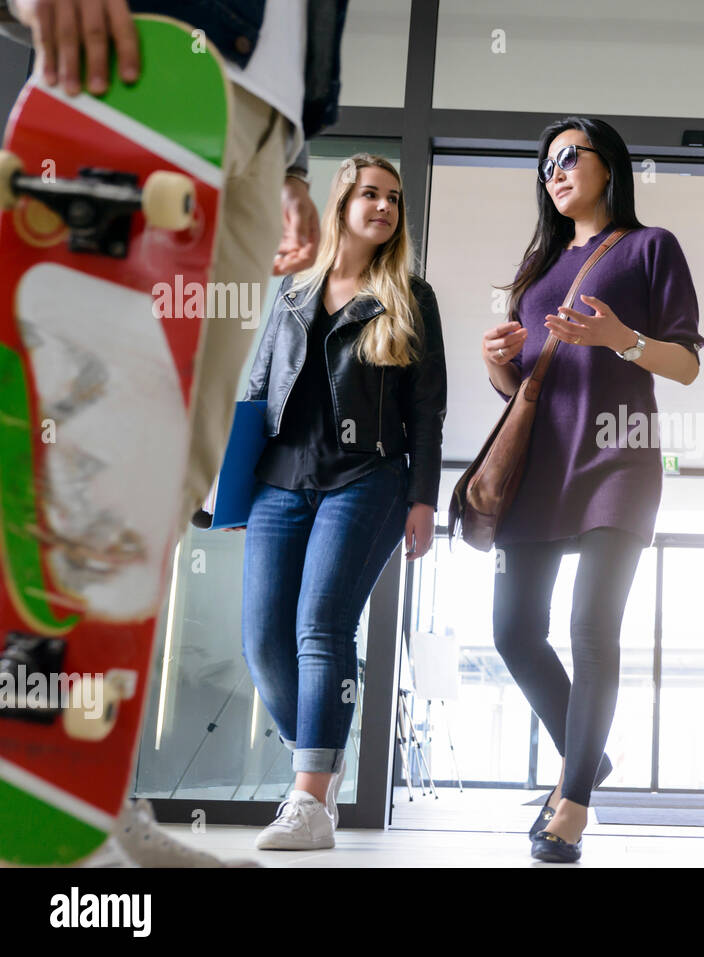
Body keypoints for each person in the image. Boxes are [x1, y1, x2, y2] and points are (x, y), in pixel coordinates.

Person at [0, 0, 351, 866]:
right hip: (140, 59)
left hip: (262, 121)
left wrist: (290, 154)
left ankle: (83, 791)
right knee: (74, 448)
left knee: (167, 468)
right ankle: (41, 792)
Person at [481, 116, 704, 863]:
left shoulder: (650, 247)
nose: (557, 170)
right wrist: (496, 363)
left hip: (618, 460)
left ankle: (572, 801)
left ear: (610, 166)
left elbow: (685, 366)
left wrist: (622, 340)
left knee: (590, 628)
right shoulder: (536, 268)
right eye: (546, 163)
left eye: (571, 156)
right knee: (513, 631)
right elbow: (521, 391)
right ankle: (590, 756)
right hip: (540, 467)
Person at [241, 153, 445, 851]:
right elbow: (260, 386)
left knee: (321, 625)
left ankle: (307, 799)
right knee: (264, 639)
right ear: (341, 202)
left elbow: (428, 409)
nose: (385, 206)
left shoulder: (412, 296)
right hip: (281, 478)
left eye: (393, 198)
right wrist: (229, 472)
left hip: (368, 477)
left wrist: (424, 498)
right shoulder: (295, 289)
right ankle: (321, 758)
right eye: (371, 194)